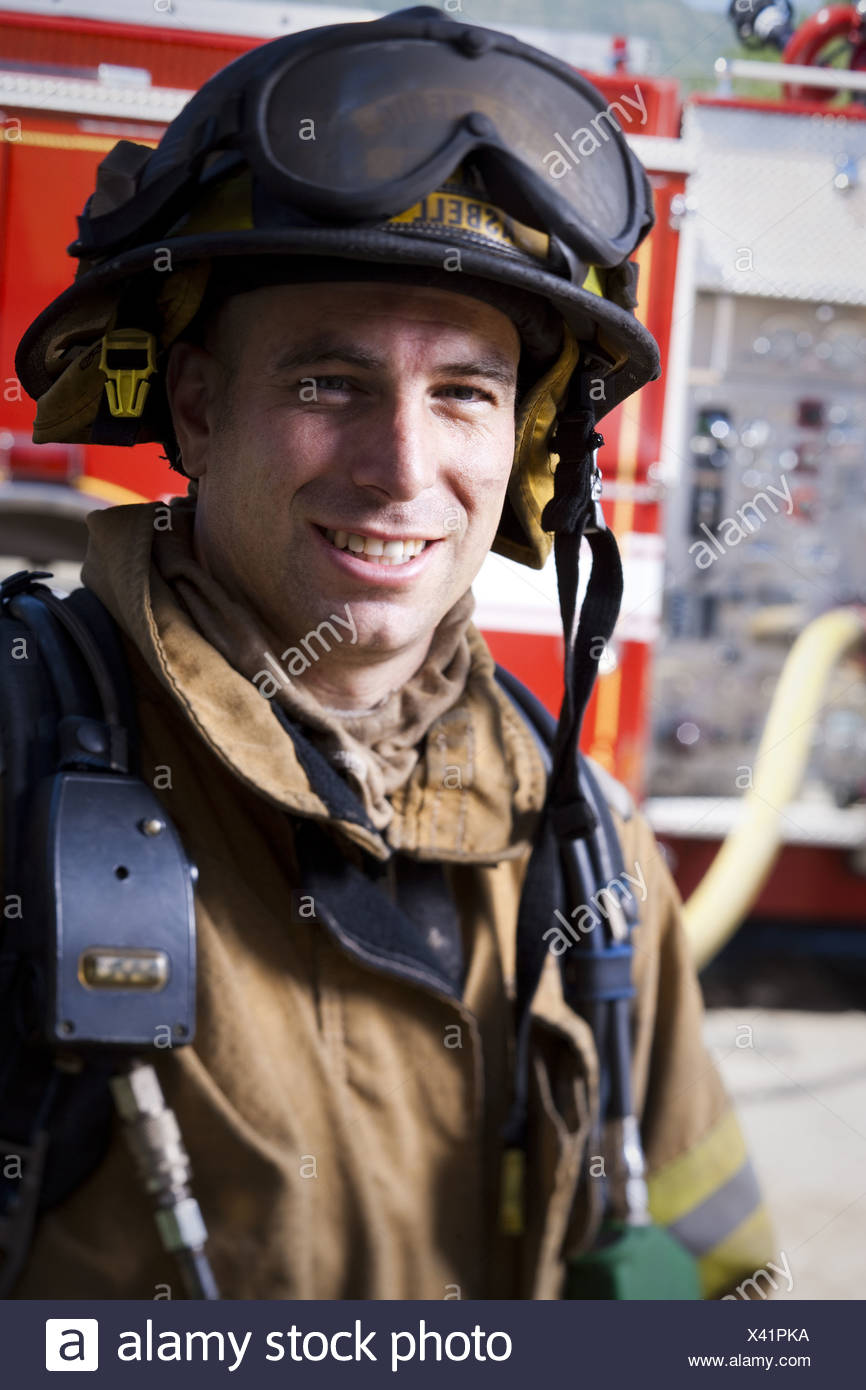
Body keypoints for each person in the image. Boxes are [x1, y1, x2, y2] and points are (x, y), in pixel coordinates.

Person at [4, 8, 773, 1300]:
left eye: (463, 391)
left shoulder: (588, 846)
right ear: (195, 404)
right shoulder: (22, 764)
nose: (403, 468)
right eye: (328, 384)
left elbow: (716, 1294)